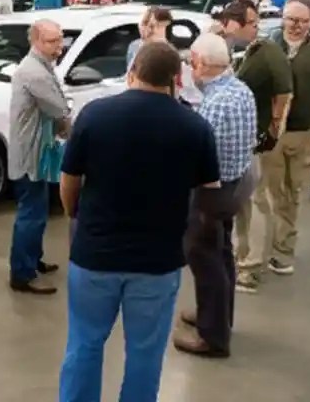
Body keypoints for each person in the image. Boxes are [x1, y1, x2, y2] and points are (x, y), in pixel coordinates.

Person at [59, 41, 221, 400]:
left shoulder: (95, 115)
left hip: (95, 256)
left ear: (132, 72)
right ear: (176, 80)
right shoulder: (194, 127)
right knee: (145, 354)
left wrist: (76, 214)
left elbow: (69, 180)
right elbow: (209, 193)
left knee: (84, 343)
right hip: (157, 262)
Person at [238, 0, 310, 286]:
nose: (296, 25)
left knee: (291, 193)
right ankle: (259, 250)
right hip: (269, 135)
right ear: (282, 19)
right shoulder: (266, 47)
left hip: (301, 134)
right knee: (264, 195)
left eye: (302, 20)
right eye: (291, 19)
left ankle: (283, 251)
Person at [175, 33, 256, 359]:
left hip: (212, 191)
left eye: (192, 62)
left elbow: (197, 156)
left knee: (204, 257)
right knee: (222, 253)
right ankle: (220, 315)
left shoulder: (215, 104)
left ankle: (213, 337)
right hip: (235, 185)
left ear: (202, 64)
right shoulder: (240, 90)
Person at [217, 0, 293, 293]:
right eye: (252, 23)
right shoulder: (234, 49)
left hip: (250, 139)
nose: (256, 27)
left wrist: (275, 127)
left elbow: (284, 92)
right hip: (232, 140)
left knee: (254, 201)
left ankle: (250, 265)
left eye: (257, 23)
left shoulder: (265, 51)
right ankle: (242, 255)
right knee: (242, 204)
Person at [8, 19, 71, 294]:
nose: (58, 47)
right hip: (30, 155)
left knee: (39, 210)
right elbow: (59, 110)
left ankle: (32, 259)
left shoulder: (42, 67)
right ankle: (22, 273)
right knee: (31, 213)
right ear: (35, 41)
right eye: (51, 41)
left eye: (59, 40)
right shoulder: (35, 73)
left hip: (39, 152)